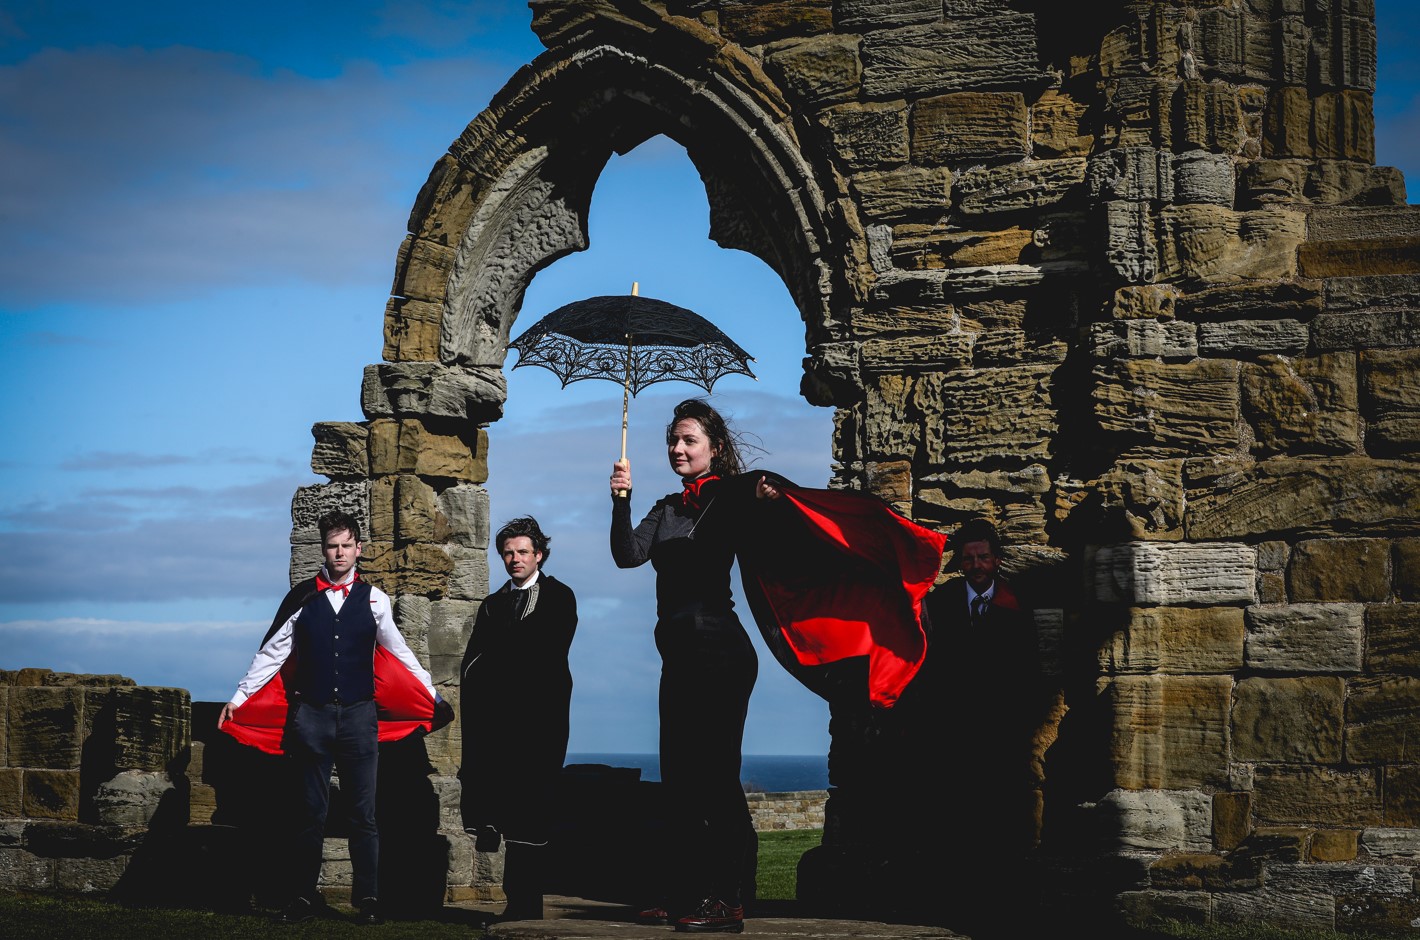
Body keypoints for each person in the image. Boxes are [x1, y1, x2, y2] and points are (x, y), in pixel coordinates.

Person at [218, 509, 451, 926]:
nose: (339, 553)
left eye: (346, 545)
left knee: (364, 814)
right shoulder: (302, 598)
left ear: (359, 549)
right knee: (309, 812)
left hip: (360, 719)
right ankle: (301, 897)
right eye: (332, 546)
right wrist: (239, 696)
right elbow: (271, 654)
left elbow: (399, 653)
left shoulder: (376, 600)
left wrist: (431, 695)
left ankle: (368, 900)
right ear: (323, 550)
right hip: (311, 717)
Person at [608, 398, 778, 934]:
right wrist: (620, 500)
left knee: (716, 776)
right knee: (679, 777)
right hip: (679, 656)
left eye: (689, 440)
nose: (677, 449)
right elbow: (627, 555)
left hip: (721, 652)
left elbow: (763, 506)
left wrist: (765, 497)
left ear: (715, 448)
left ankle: (728, 900)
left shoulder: (731, 496)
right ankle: (684, 891)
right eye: (673, 441)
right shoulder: (666, 507)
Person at [913, 517, 1044, 929]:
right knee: (953, 822)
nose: (976, 565)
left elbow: (1030, 671)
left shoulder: (1017, 603)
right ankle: (954, 903)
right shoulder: (940, 602)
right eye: (969, 559)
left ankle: (997, 907)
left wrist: (1019, 727)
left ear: (996, 559)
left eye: (983, 557)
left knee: (998, 822)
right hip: (951, 736)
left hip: (1000, 738)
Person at [459, 516, 578, 923]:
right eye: (508, 553)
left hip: (541, 723)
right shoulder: (492, 605)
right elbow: (473, 662)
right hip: (497, 726)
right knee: (506, 811)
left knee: (533, 811)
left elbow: (547, 650)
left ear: (539, 554)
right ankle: (517, 903)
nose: (515, 559)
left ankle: (528, 905)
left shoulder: (559, 596)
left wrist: (501, 660)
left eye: (523, 552)